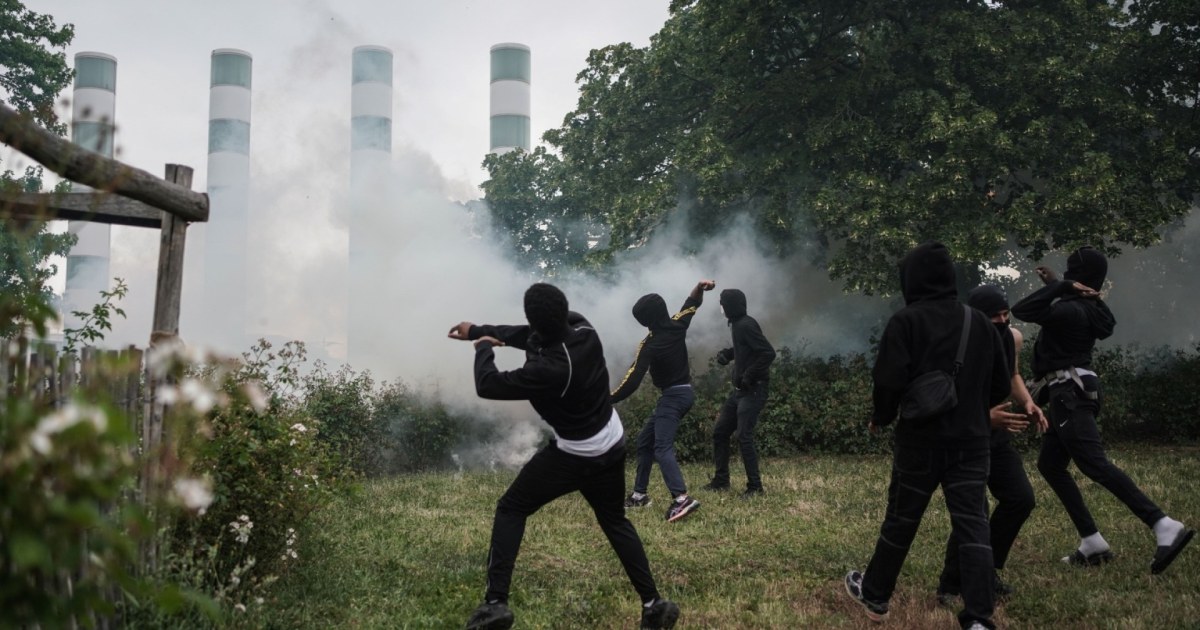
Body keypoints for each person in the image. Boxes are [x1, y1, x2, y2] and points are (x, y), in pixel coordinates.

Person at [449, 283, 680, 630]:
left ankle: (495, 605)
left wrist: (483, 346)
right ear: (565, 310)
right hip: (611, 442)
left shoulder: (550, 371)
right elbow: (529, 334)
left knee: (511, 508)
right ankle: (654, 605)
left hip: (575, 456)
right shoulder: (584, 328)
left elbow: (488, 384)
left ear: (535, 318)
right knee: (615, 521)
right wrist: (480, 330)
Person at [845, 242, 1011, 630]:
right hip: (971, 443)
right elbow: (1000, 385)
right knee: (973, 526)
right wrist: (969, 406)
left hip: (919, 442)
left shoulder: (906, 321)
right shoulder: (980, 322)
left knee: (901, 520)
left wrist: (881, 418)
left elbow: (887, 381)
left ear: (912, 279)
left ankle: (875, 598)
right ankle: (979, 619)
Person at [1011, 246, 1194, 574]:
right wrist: (1066, 286)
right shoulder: (1093, 310)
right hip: (1076, 392)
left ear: (1074, 277)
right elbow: (1107, 323)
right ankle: (1092, 542)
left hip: (1069, 394)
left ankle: (1163, 524)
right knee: (1051, 465)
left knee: (1094, 464)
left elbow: (1021, 310)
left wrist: (1059, 287)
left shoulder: (1069, 310)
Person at [937, 285, 1048, 607]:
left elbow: (1012, 374)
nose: (1001, 320)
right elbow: (943, 394)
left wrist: (1028, 402)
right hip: (964, 434)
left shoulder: (1011, 337)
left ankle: (987, 571)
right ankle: (950, 584)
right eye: (993, 316)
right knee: (974, 509)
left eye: (1005, 314)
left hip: (996, 435)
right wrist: (984, 417)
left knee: (1020, 499)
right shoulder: (957, 340)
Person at [611, 279, 715, 522]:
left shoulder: (649, 344)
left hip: (674, 396)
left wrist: (610, 398)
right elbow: (693, 303)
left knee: (662, 446)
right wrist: (699, 286)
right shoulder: (677, 324)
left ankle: (681, 499)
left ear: (644, 321)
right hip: (681, 393)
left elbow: (633, 378)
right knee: (645, 441)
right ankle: (639, 495)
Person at [703, 288, 776, 498]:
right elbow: (746, 349)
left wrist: (749, 375)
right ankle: (721, 481)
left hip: (754, 390)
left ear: (730, 306)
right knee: (720, 433)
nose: (721, 307)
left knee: (744, 436)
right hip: (740, 393)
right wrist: (728, 354)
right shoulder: (737, 324)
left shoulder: (745, 324)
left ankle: (755, 488)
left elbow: (767, 352)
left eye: (722, 303)